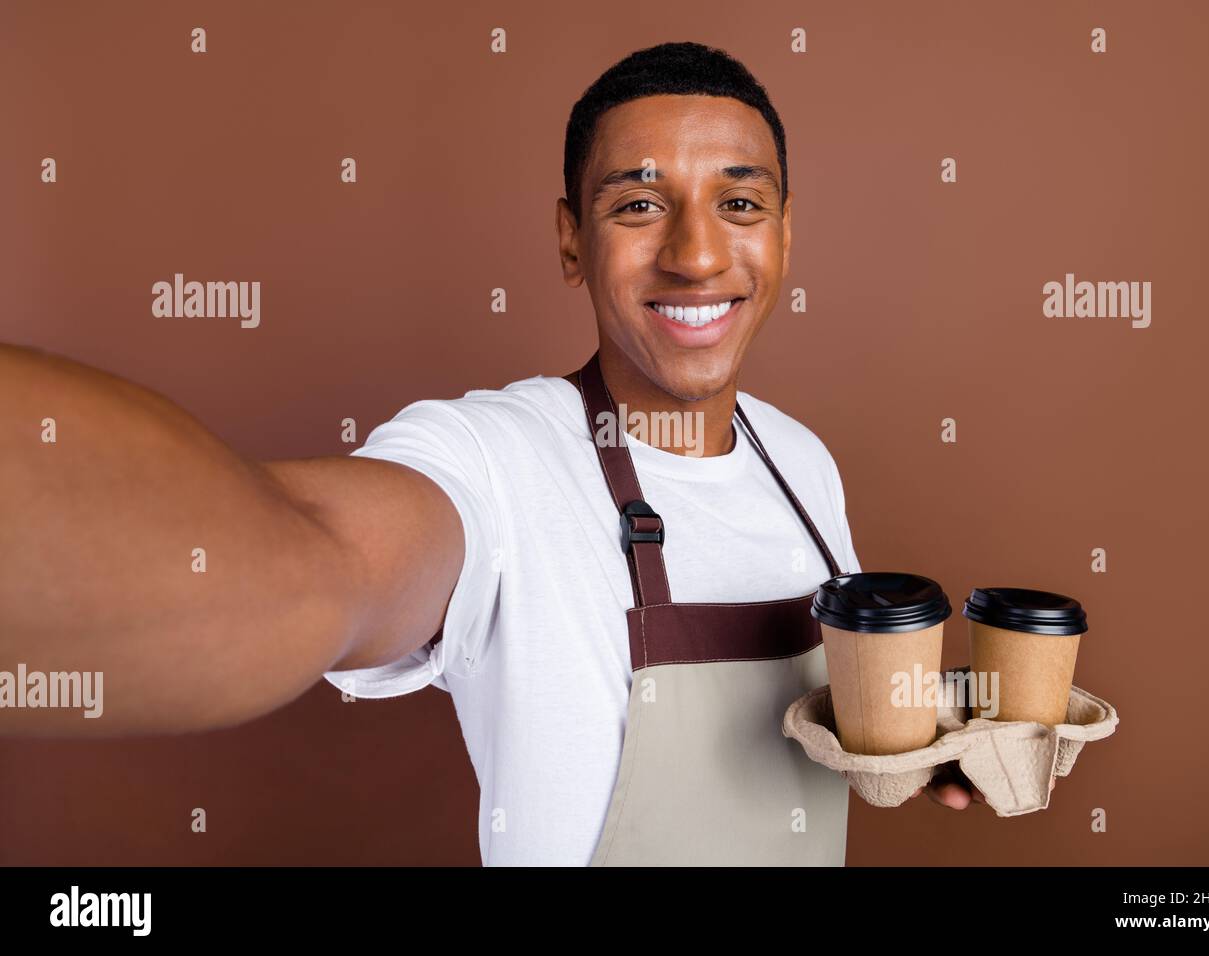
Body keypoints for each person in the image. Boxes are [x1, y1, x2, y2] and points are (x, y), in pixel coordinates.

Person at [0, 41, 994, 866]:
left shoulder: (802, 464)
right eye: (638, 206)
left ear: (784, 232)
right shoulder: (496, 459)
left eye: (740, 203)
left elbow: (837, 712)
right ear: (570, 240)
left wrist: (926, 737)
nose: (696, 255)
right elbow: (314, 558)